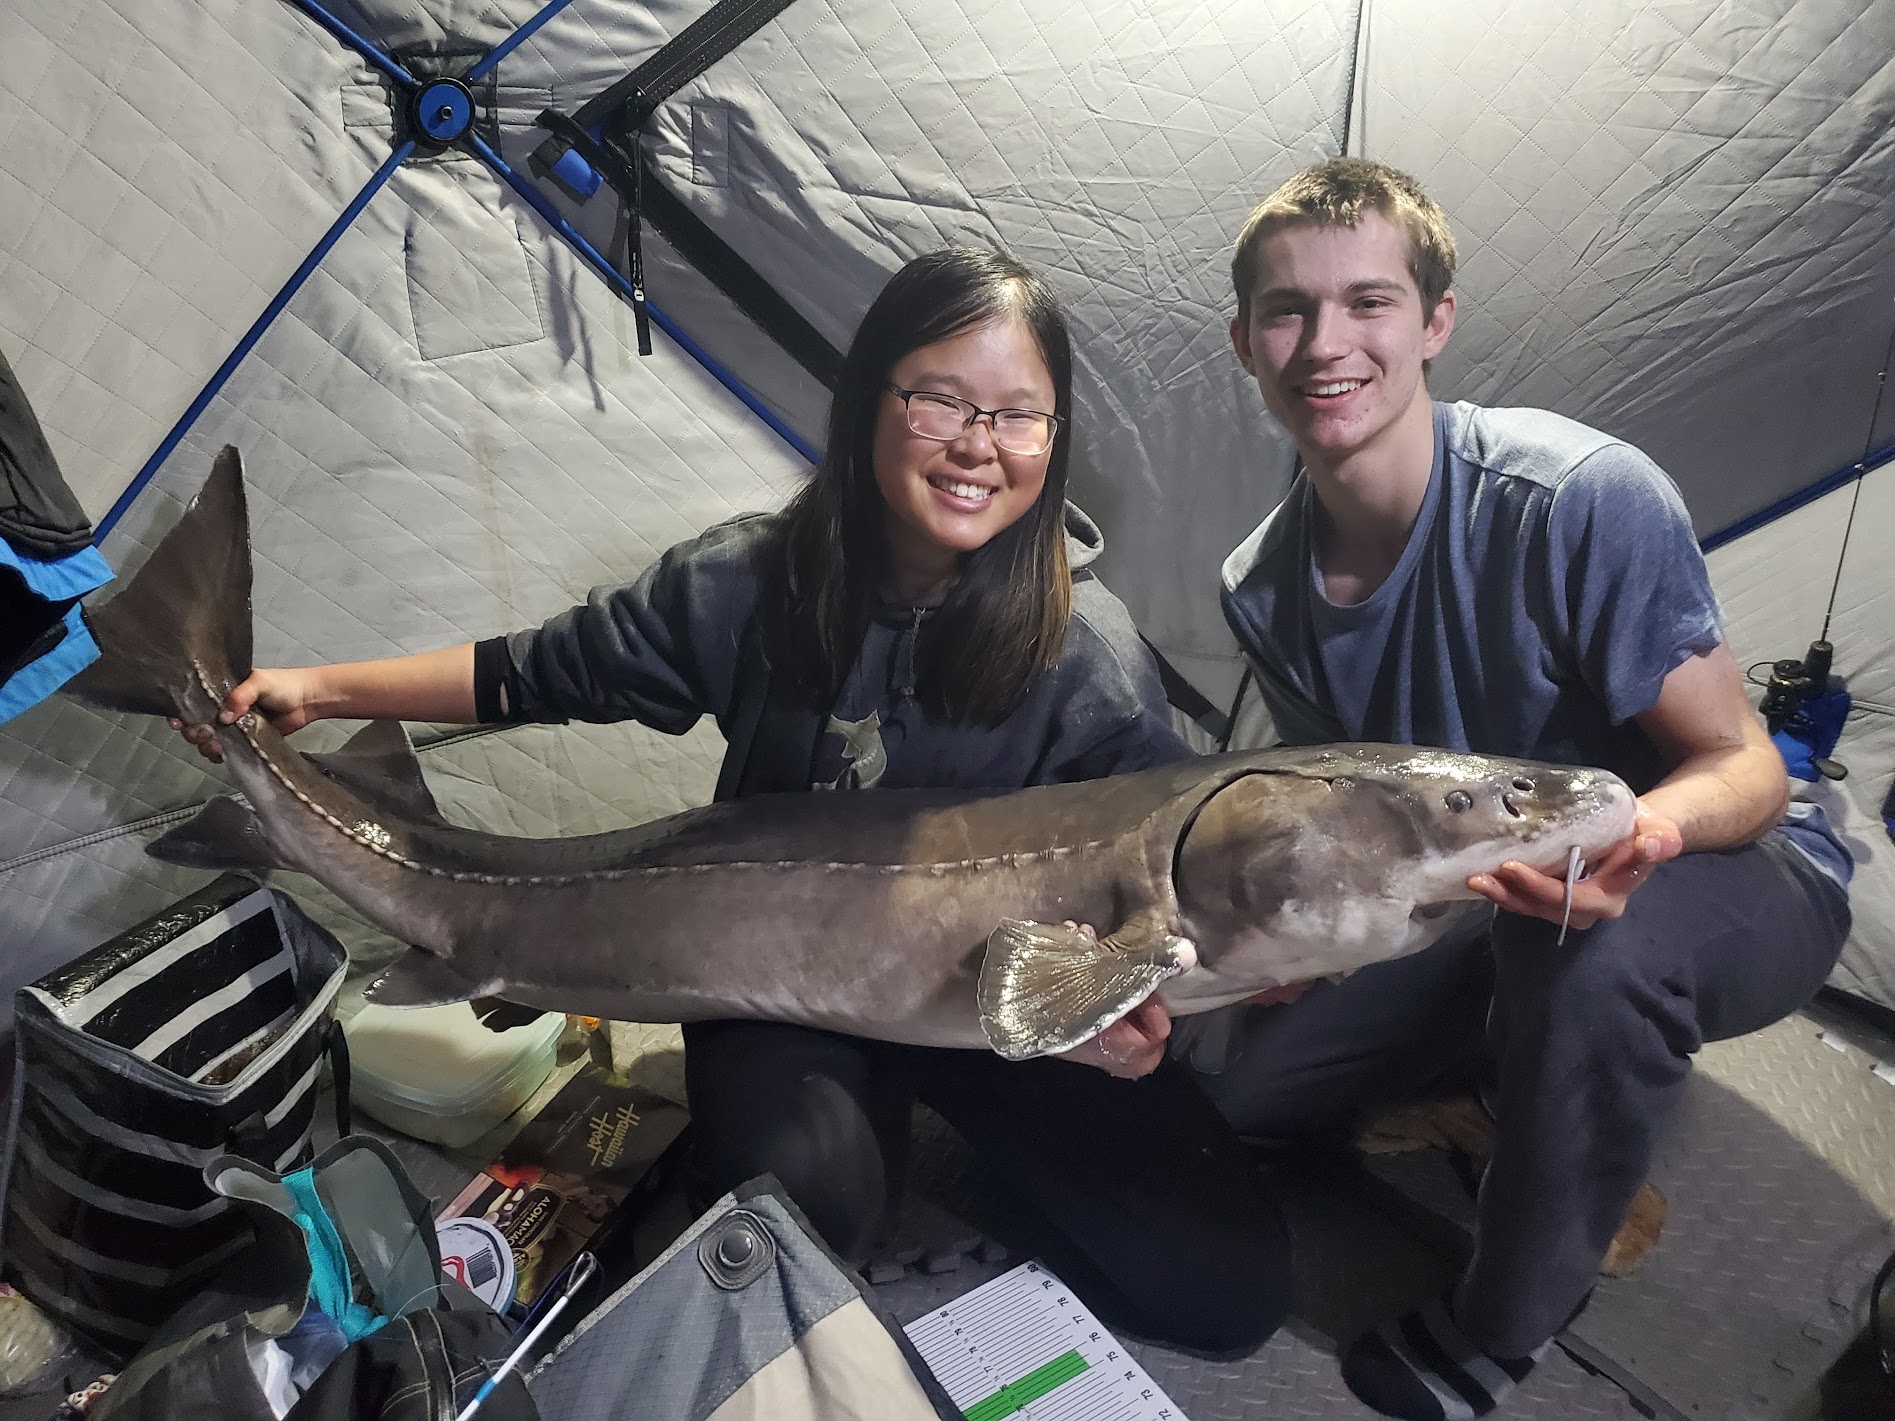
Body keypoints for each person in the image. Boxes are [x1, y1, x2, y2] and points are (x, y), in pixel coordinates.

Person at [175, 247, 1290, 1352]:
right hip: (776, 986)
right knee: (802, 1214)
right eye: (940, 400)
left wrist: (1113, 1023)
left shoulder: (1090, 654)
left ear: (1054, 439)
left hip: (1000, 1004)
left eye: (1016, 415)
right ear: (868, 399)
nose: (975, 444)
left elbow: (1157, 888)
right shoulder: (756, 578)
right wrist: (319, 690)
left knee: (1223, 1294)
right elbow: (537, 670)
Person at [1185, 158, 1854, 1416]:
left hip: (1729, 872)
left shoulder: (1576, 498)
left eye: (1367, 302)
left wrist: (1627, 841)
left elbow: (1747, 767)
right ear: (1243, 341)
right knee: (1248, 1093)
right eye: (1286, 310)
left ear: (1433, 320)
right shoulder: (1258, 586)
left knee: (1586, 951)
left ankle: (1507, 1315)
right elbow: (1359, 817)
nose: (1324, 344)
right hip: (1486, 895)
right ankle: (1515, 1087)